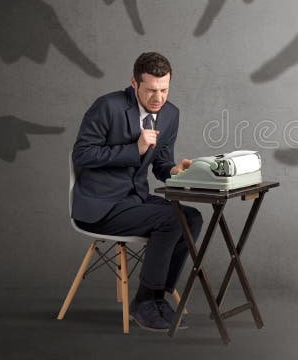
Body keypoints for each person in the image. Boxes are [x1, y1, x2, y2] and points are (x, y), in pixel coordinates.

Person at [71, 52, 202, 332]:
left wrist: (175, 170)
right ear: (134, 83)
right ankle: (145, 302)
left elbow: (161, 165)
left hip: (136, 200)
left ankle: (154, 296)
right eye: (151, 90)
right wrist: (135, 149)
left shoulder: (170, 114)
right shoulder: (108, 106)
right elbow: (82, 154)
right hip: (101, 205)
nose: (158, 98)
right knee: (171, 220)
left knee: (192, 218)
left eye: (164, 89)